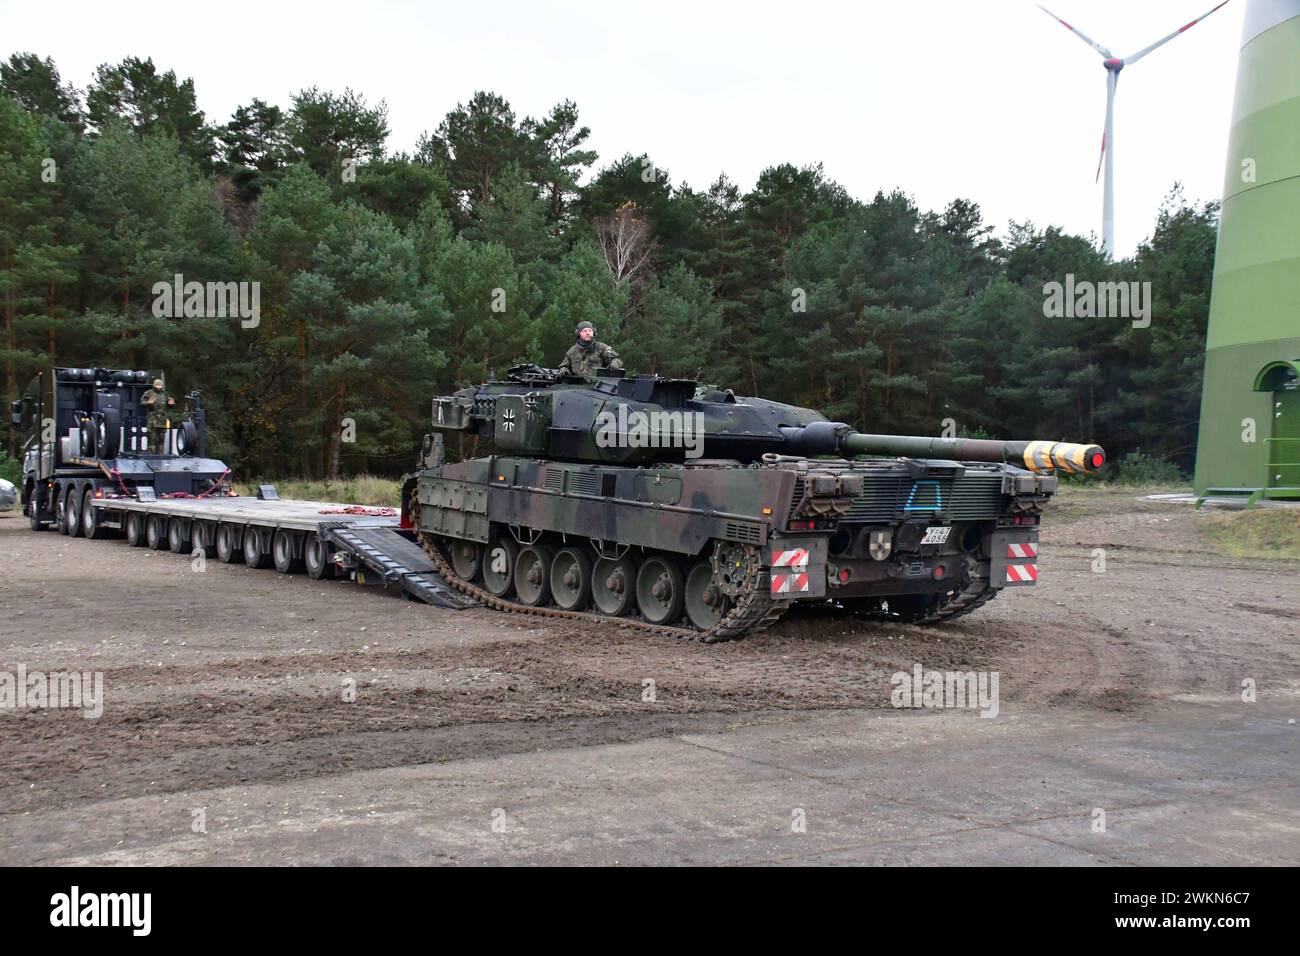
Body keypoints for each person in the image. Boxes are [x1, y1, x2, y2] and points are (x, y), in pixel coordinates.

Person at [558, 321, 623, 378]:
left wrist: (615, 363)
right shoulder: (573, 350)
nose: (588, 333)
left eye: (590, 331)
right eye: (584, 331)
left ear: (593, 332)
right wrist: (564, 370)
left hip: (596, 387)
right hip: (576, 387)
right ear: (579, 333)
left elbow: (617, 360)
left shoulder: (602, 347)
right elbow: (564, 366)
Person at [140, 378, 174, 453]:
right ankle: (151, 453)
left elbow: (169, 404)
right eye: (157, 385)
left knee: (161, 438)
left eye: (160, 385)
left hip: (162, 419)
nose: (159, 387)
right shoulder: (149, 393)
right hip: (152, 419)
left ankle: (160, 454)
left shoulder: (165, 393)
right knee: (152, 437)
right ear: (154, 385)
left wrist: (171, 403)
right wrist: (148, 402)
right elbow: (142, 402)